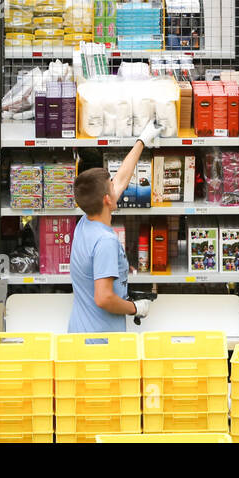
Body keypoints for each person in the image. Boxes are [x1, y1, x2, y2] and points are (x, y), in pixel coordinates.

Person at [67, 120, 161, 333]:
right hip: (101, 345)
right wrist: (135, 308)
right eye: (111, 187)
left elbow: (120, 180)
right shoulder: (106, 242)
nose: (116, 186)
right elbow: (104, 298)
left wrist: (142, 141)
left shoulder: (85, 223)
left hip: (80, 336)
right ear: (107, 200)